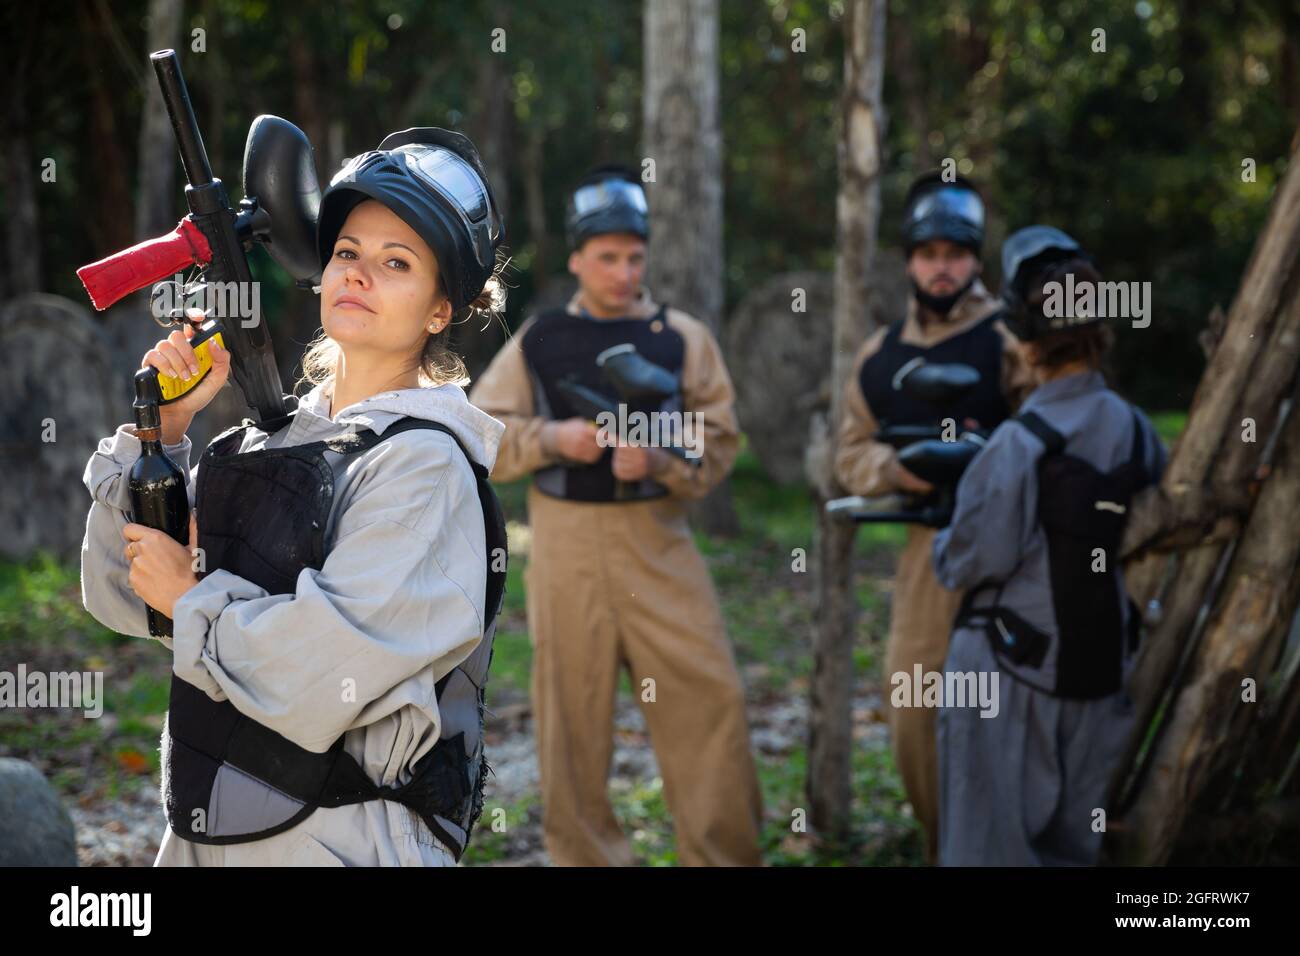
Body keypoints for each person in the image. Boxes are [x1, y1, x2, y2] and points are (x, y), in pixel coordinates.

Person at [80, 127, 510, 867]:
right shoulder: (265, 444)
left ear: (441, 310)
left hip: (338, 841)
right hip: (209, 826)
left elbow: (323, 672)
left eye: (397, 262)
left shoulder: (426, 468)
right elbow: (125, 598)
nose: (360, 273)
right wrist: (166, 432)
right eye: (347, 252)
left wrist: (193, 603)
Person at [469, 166, 763, 866]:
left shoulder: (680, 337)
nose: (623, 271)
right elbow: (481, 430)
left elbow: (719, 438)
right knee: (573, 721)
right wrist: (555, 440)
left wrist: (660, 459)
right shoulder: (542, 337)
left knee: (710, 698)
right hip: (569, 547)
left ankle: (724, 855)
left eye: (635, 256)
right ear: (577, 258)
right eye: (607, 256)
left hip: (661, 541)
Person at [933, 226, 1167, 865]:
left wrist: (943, 534)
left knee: (987, 850)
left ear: (1023, 334)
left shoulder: (1017, 444)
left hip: (1006, 673)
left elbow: (969, 562)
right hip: (1096, 674)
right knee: (1071, 851)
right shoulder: (1141, 434)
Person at [834, 170, 1034, 860]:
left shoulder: (1014, 338)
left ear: (975, 258)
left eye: (955, 254)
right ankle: (945, 845)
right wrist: (899, 469)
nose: (941, 267)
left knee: (1010, 711)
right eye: (928, 255)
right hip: (927, 553)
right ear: (911, 260)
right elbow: (851, 450)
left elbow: (1048, 427)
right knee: (915, 713)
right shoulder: (881, 355)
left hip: (1018, 555)